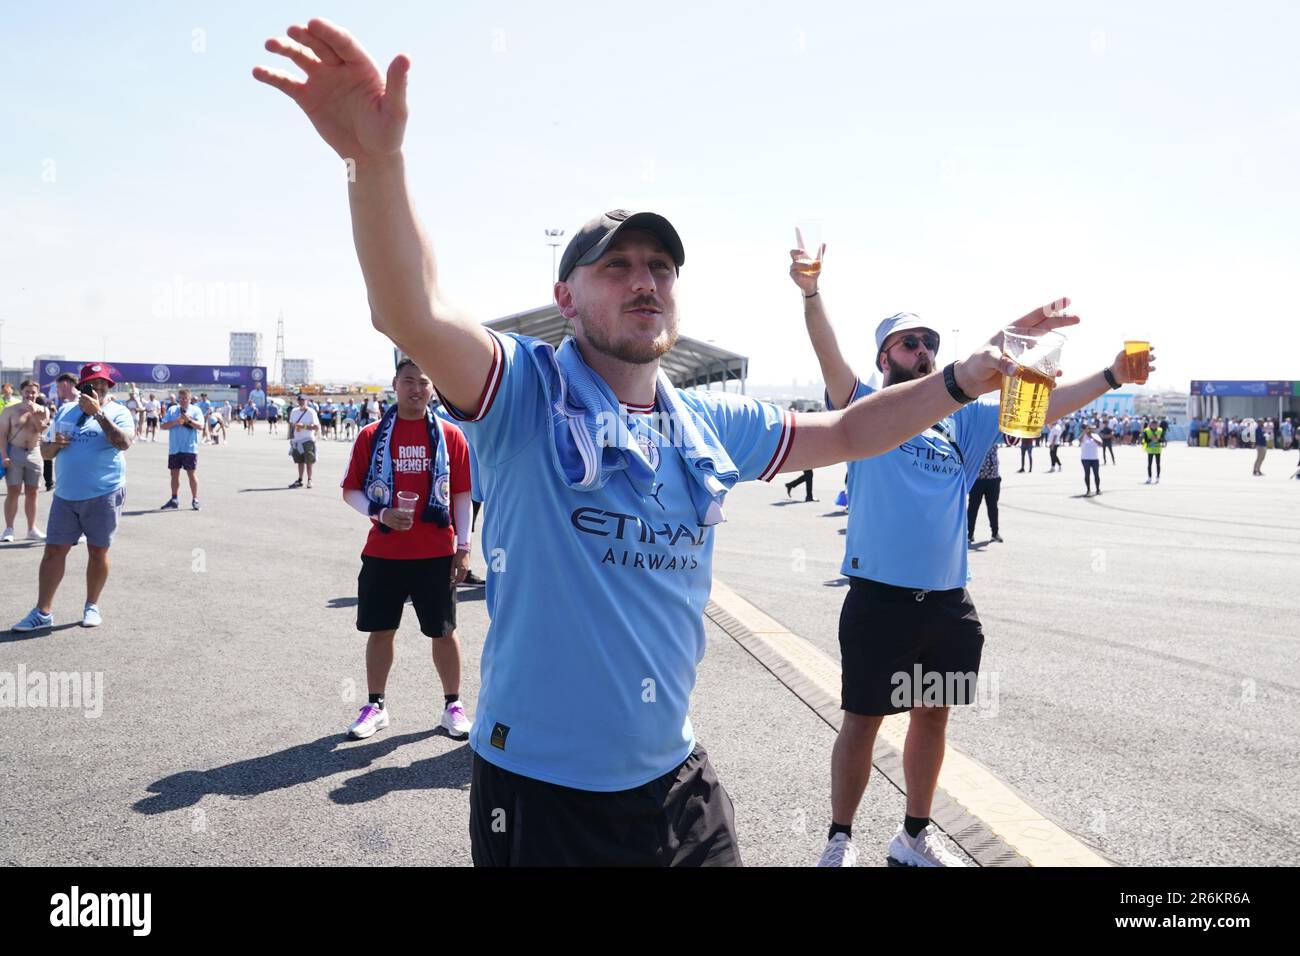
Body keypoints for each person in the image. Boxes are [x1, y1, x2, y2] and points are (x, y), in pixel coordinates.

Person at [255, 17, 1052, 866]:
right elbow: (409, 309)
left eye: (661, 267)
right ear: (566, 296)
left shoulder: (711, 422)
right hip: (541, 791)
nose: (646, 281)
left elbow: (854, 429)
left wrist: (963, 378)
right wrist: (375, 164)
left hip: (675, 784)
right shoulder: (523, 391)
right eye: (618, 266)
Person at [788, 238, 1153, 868]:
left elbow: (1039, 411)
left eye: (929, 342)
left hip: (948, 603)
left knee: (933, 719)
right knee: (863, 722)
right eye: (908, 343)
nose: (923, 351)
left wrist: (1113, 375)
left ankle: (912, 836)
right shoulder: (861, 408)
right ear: (884, 358)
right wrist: (812, 293)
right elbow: (828, 354)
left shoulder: (961, 420)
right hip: (879, 600)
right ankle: (839, 839)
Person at [340, 358, 474, 740]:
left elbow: (462, 495)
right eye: (409, 381)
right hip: (385, 552)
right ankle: (375, 706)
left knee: (444, 632)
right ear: (395, 384)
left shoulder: (450, 436)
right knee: (381, 630)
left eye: (425, 383)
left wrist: (463, 546)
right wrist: (380, 513)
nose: (417, 389)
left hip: (435, 552)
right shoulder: (372, 435)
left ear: (433, 389)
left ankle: (453, 706)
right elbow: (350, 490)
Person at [11, 363, 135, 631]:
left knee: (98, 551)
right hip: (66, 495)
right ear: (82, 386)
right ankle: (42, 612)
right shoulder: (66, 410)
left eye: (102, 383)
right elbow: (45, 453)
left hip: (104, 493)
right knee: (53, 551)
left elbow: (123, 442)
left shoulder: (119, 411)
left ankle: (92, 605)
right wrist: (54, 445)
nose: (97, 387)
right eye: (91, 383)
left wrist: (99, 414)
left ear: (109, 386)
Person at [1, 379, 52, 541]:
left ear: (37, 394)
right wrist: (4, 456)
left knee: (33, 492)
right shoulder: (9, 411)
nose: (30, 395)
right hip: (14, 452)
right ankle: (9, 529)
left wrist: (35, 415)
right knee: (13, 491)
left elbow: (42, 430)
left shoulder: (43, 410)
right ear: (21, 392)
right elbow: (2, 435)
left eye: (33, 392)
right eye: (27, 391)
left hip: (34, 452)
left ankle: (32, 529)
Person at [160, 388, 203, 511]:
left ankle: (195, 499)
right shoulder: (172, 410)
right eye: (181, 398)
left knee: (191, 474)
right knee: (174, 474)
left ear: (190, 399)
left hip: (190, 448)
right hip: (175, 448)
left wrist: (189, 420)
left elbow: (200, 426)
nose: (183, 401)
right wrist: (176, 421)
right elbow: (163, 425)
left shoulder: (196, 410)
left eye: (185, 399)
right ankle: (174, 499)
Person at [967, 445, 1002, 544]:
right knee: (973, 508)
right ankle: (969, 534)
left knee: (993, 507)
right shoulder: (978, 439)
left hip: (993, 478)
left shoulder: (995, 438)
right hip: (977, 479)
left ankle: (995, 533)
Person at [288, 393, 319, 488]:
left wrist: (304, 426)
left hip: (308, 440)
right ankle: (300, 479)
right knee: (299, 461)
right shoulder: (294, 411)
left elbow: (316, 427)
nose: (301, 402)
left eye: (303, 400)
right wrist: (291, 437)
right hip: (297, 440)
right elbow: (291, 424)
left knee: (309, 461)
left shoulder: (311, 412)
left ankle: (310, 480)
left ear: (307, 401)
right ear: (298, 401)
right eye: (300, 400)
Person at [1080, 423, 1102, 496]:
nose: (1089, 430)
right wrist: (1084, 433)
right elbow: (1080, 441)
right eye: (1087, 428)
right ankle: (1088, 489)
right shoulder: (1083, 436)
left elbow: (1100, 444)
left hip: (1094, 458)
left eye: (1090, 428)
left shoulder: (1095, 435)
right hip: (1085, 458)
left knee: (1096, 474)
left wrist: (1092, 437)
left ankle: (1098, 489)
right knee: (1087, 474)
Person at [1143, 419, 1164, 483]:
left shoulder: (1160, 430)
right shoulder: (1147, 431)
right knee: (1149, 464)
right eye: (1153, 425)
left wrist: (1159, 438)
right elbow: (1145, 440)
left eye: (1156, 425)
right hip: (1150, 449)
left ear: (1157, 425)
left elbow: (1163, 439)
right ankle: (1149, 477)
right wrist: (1151, 439)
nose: (1154, 426)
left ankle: (1158, 477)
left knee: (1158, 464)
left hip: (1157, 449)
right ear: (1150, 425)